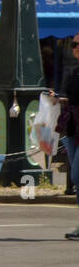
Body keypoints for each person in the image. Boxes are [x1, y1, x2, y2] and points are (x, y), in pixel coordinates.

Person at [58, 33, 79, 239]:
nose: (75, 47)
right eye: (73, 44)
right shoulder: (74, 72)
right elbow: (71, 99)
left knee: (77, 175)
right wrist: (59, 100)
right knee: (77, 177)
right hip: (73, 129)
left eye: (78, 44)